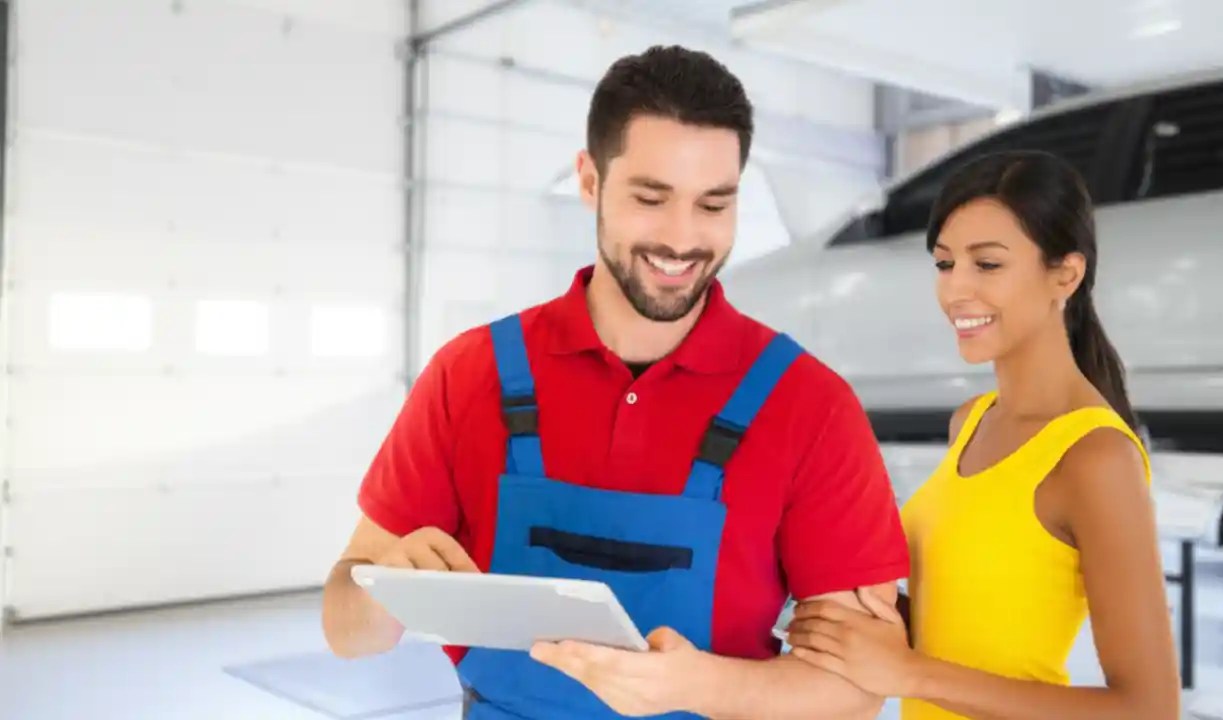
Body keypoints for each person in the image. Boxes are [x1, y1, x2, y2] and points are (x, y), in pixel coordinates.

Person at [321, 44, 910, 720]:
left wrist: (694, 687)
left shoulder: (811, 407)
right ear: (590, 181)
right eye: (651, 198)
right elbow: (345, 630)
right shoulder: (471, 374)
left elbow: (858, 691)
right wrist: (385, 590)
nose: (682, 238)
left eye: (713, 205)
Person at [784, 150, 1181, 719]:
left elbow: (1148, 710)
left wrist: (907, 670)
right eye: (945, 265)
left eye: (987, 265)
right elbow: (971, 624)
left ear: (1065, 274)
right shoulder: (970, 420)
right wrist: (863, 618)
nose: (956, 291)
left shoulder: (1096, 457)